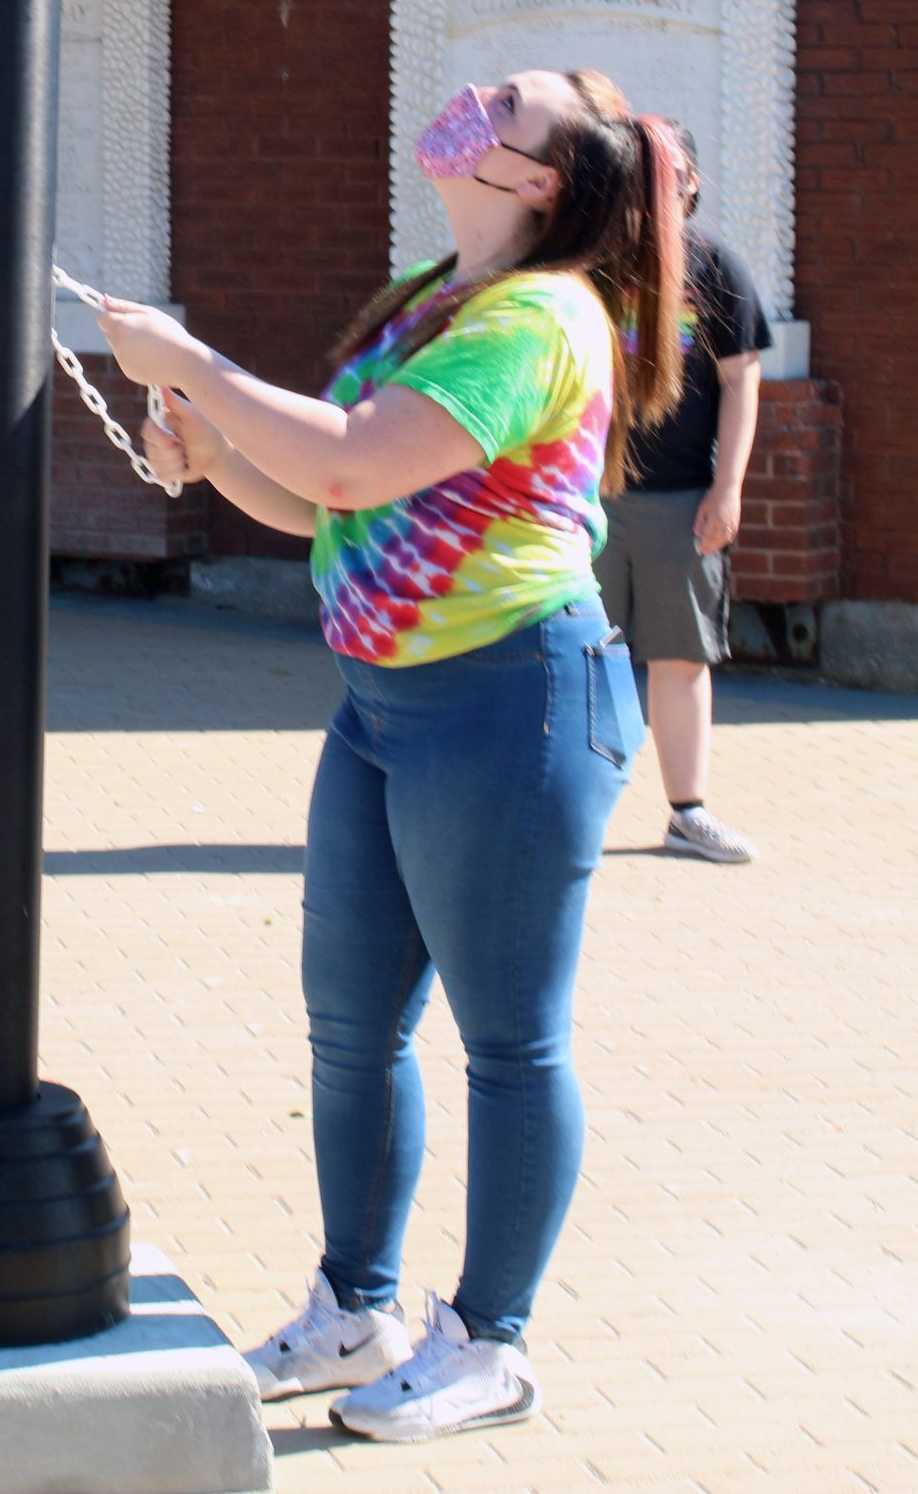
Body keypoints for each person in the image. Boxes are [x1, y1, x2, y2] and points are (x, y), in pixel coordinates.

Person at [97, 71, 684, 1444]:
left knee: (507, 1044)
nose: (469, 104)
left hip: (510, 703)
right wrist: (206, 452)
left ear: (536, 181)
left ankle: (487, 1342)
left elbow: (356, 464)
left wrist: (195, 369)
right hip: (382, 703)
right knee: (349, 1030)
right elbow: (317, 497)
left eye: (505, 108)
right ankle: (352, 1307)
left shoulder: (538, 317)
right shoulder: (437, 294)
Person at [595, 119, 769, 864]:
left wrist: (727, 487)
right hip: (586, 501)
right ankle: (561, 809)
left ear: (689, 183)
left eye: (662, 175)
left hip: (680, 501)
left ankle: (685, 814)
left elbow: (740, 383)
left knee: (678, 657)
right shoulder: (585, 268)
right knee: (576, 658)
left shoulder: (716, 267)